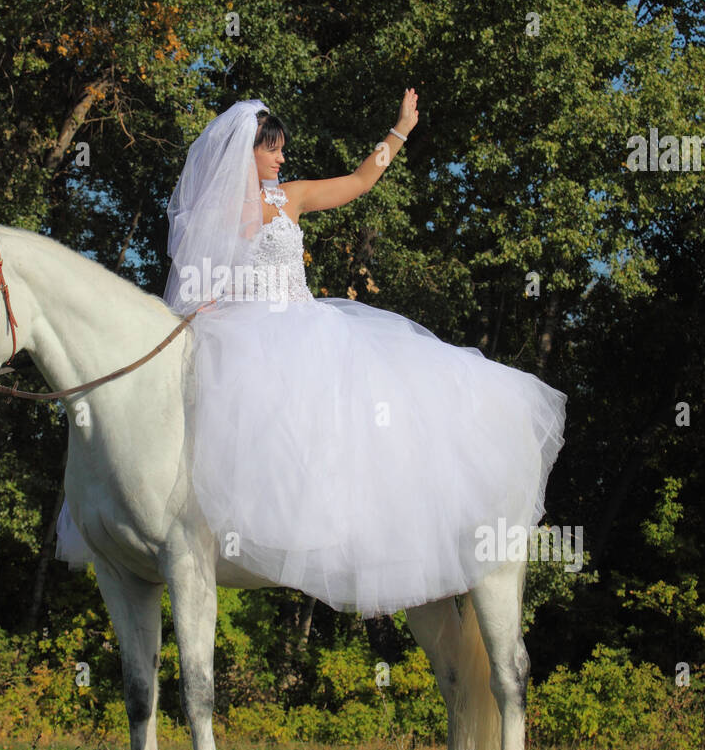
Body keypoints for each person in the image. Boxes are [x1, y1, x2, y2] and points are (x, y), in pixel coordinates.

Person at [155, 95, 567, 617]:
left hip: (304, 327)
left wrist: (399, 130)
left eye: (282, 151)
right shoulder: (209, 217)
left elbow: (357, 183)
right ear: (244, 151)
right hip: (244, 338)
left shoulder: (290, 198)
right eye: (272, 151)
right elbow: (200, 288)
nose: (281, 159)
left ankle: (377, 519)